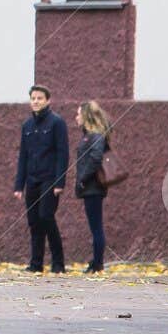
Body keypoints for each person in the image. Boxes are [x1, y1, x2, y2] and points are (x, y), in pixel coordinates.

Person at [13, 84, 68, 273]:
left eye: (39, 98)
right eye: (33, 98)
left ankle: (58, 263)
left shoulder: (57, 123)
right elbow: (23, 156)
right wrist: (19, 185)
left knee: (46, 216)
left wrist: (60, 182)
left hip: (50, 179)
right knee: (34, 221)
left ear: (47, 101)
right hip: (32, 180)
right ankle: (36, 264)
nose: (36, 101)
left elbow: (63, 153)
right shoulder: (27, 125)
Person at [73, 100, 111, 273]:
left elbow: (96, 159)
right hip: (91, 187)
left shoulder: (95, 136)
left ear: (86, 115)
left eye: (79, 114)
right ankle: (97, 262)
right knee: (95, 225)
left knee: (96, 226)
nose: (76, 117)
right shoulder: (90, 135)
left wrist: (82, 178)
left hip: (93, 187)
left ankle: (97, 263)